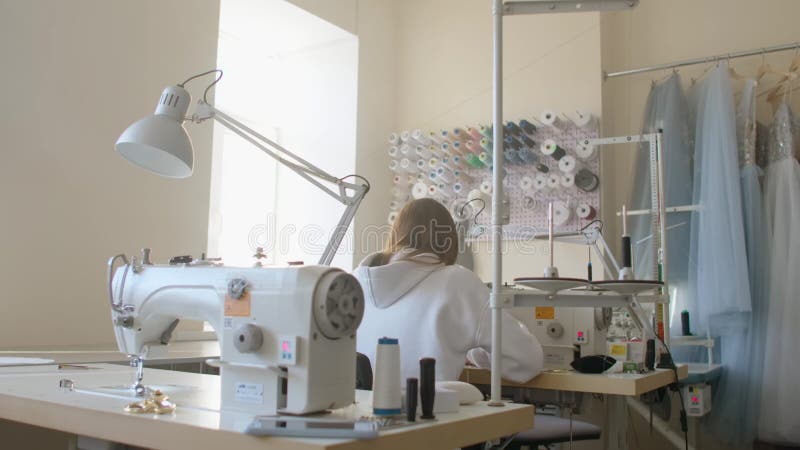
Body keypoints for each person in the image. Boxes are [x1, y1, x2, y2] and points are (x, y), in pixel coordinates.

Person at [354, 198, 543, 383]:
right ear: (449, 240)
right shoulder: (457, 282)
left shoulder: (352, 283)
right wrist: (473, 349)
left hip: (352, 411)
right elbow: (528, 361)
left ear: (395, 234)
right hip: (425, 412)